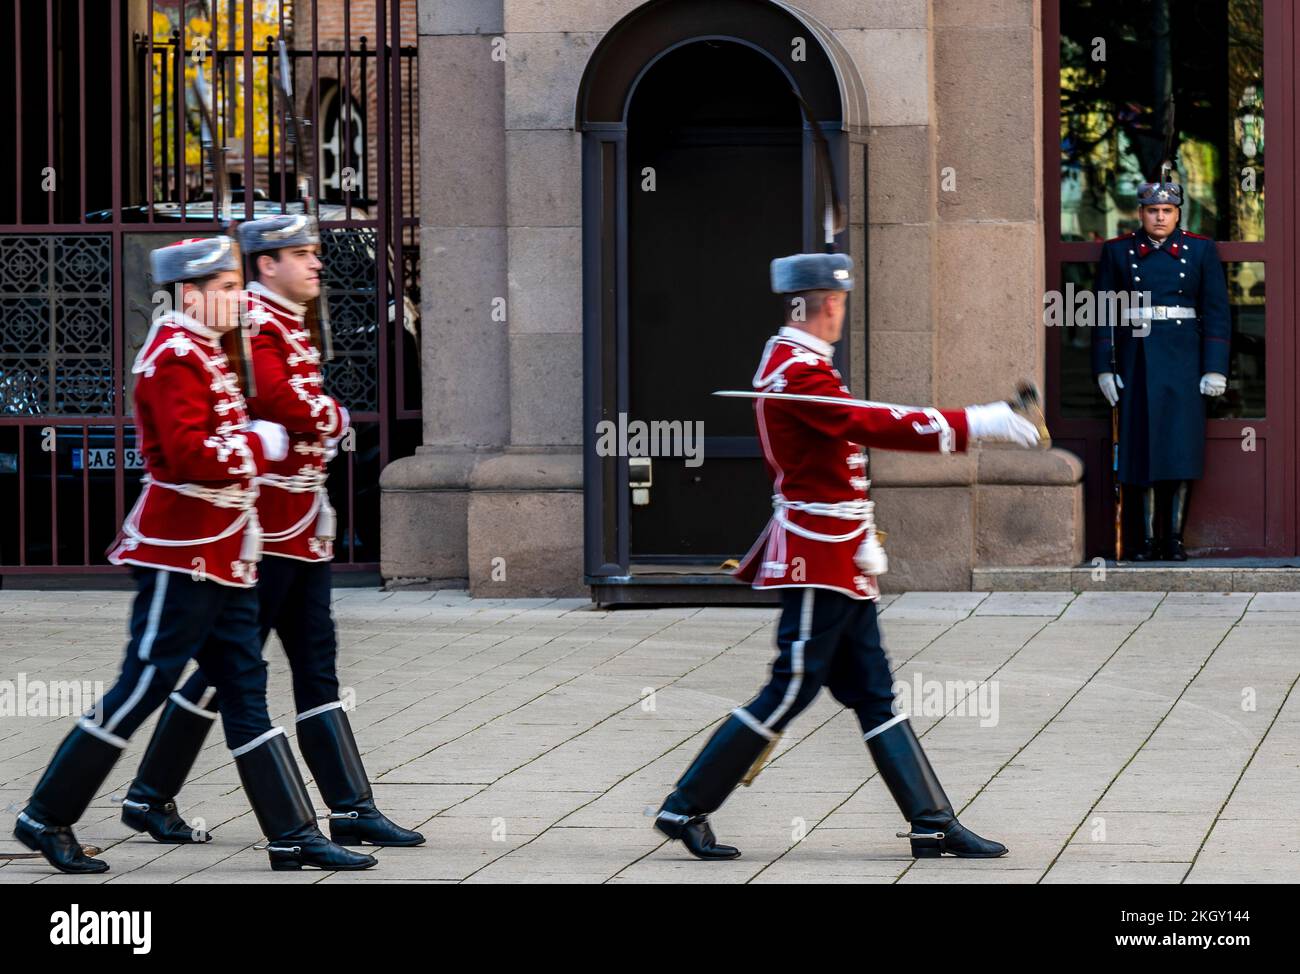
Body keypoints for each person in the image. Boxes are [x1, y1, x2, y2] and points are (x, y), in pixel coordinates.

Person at [653, 251, 1042, 860]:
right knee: (791, 688)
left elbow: (854, 428)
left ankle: (931, 821)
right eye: (833, 303)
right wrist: (976, 422)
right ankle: (685, 806)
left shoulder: (802, 364)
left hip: (841, 556)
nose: (839, 312)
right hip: (817, 556)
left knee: (873, 693)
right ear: (816, 305)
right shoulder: (794, 370)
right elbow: (871, 423)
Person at [14, 237, 376, 873]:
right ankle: (46, 814)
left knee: (245, 689)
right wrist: (257, 447)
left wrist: (250, 440)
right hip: (180, 553)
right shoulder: (172, 355)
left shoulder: (205, 352)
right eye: (226, 288)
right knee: (143, 684)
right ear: (192, 293)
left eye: (238, 286)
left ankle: (292, 833)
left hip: (227, 554)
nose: (238, 300)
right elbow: (184, 455)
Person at [120, 215, 423, 849]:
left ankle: (349, 805)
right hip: (263, 529)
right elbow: (279, 404)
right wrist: (332, 414)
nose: (316, 264)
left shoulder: (285, 318)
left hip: (298, 527)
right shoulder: (252, 321)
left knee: (310, 664)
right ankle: (151, 796)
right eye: (302, 254)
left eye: (314, 252)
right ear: (266, 264)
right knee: (228, 673)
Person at [1092, 177, 1230, 560]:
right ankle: (1146, 541)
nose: (1159, 217)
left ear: (1177, 213)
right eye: (1152, 210)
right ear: (1141, 212)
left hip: (1185, 358)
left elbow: (1217, 312)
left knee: (1180, 448)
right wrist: (1104, 367)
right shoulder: (1119, 252)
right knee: (1140, 449)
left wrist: (1215, 367)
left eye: (1167, 210)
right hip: (1137, 358)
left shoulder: (1200, 250)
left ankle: (1174, 539)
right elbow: (1103, 312)